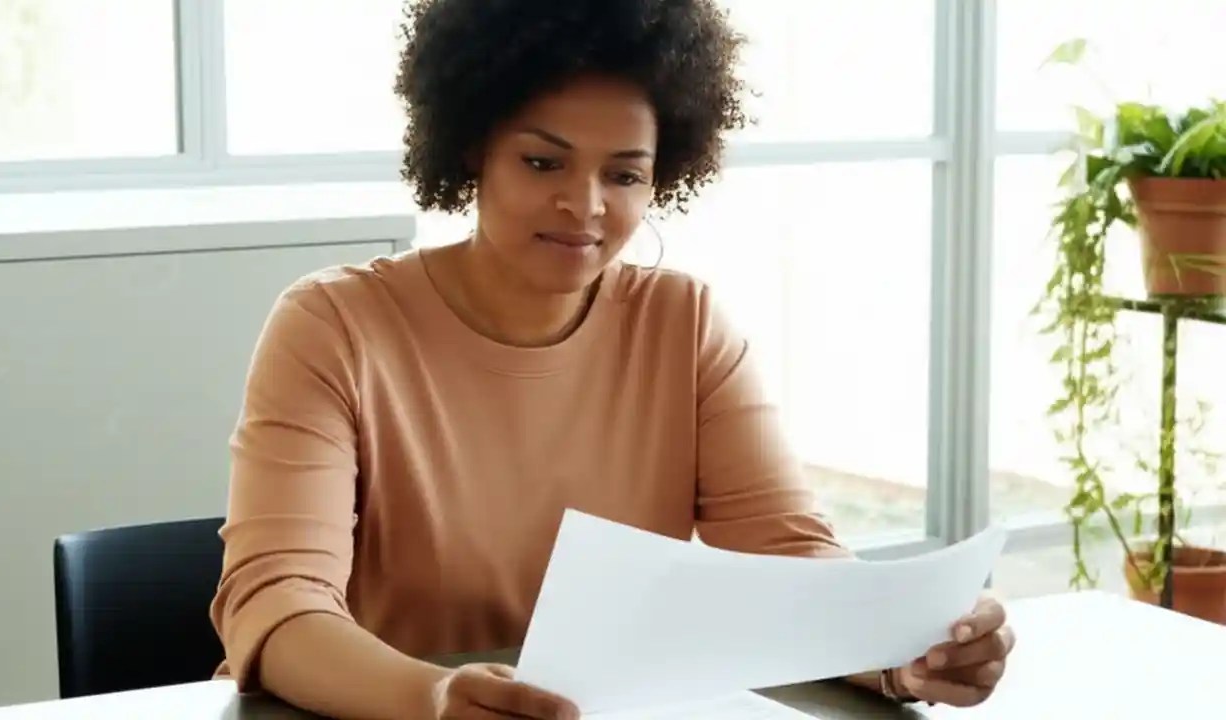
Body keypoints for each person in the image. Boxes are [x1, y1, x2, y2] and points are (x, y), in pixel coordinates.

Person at [209, 0, 1016, 717]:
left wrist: (902, 658)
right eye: (542, 162)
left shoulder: (683, 323)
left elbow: (791, 563)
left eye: (624, 174)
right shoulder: (334, 325)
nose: (586, 205)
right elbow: (277, 604)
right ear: (469, 151)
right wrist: (434, 698)